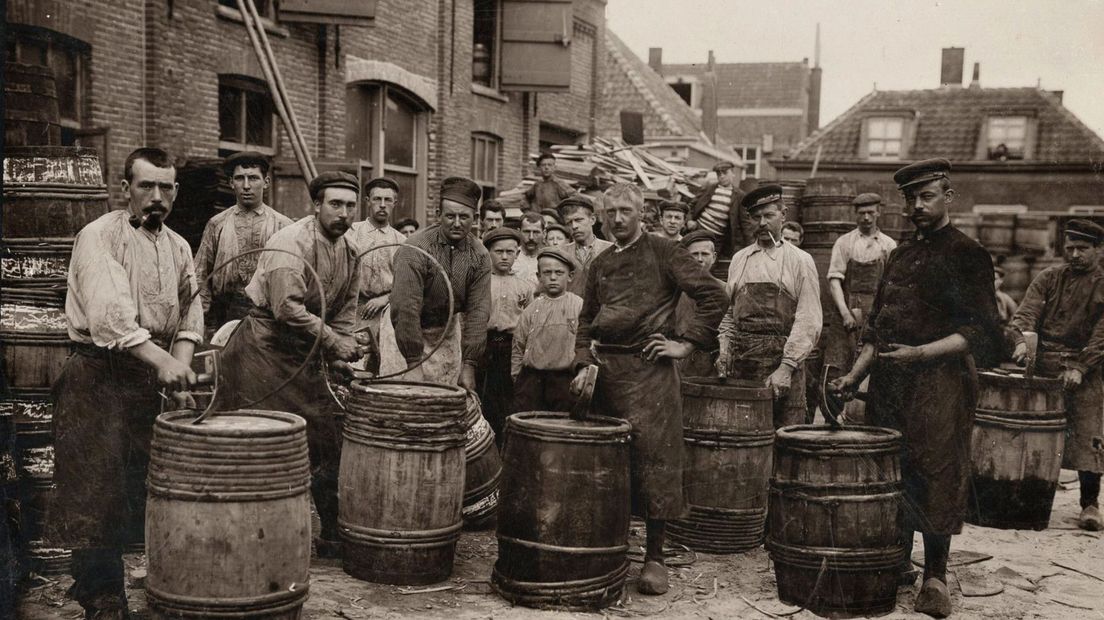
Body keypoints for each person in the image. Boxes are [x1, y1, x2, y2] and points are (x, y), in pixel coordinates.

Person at [829, 159, 1002, 618]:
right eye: (911, 198)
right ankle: (899, 562)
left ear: (949, 197)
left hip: (940, 385)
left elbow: (982, 333)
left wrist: (922, 354)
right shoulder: (900, 256)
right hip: (891, 384)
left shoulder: (968, 254)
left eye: (926, 196)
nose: (917, 206)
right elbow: (877, 332)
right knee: (894, 471)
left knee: (937, 473)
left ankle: (935, 578)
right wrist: (853, 376)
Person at [49, 148, 203, 619]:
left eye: (166, 188)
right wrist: (162, 362)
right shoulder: (99, 236)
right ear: (125, 189)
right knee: (94, 487)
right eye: (146, 187)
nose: (157, 197)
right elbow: (110, 316)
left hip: (146, 375)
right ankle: (100, 595)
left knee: (142, 481)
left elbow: (190, 308)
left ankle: (150, 579)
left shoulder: (178, 245)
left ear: (175, 192)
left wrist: (179, 366)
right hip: (97, 373)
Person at [572, 183, 727, 596]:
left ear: (643, 213)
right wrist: (584, 362)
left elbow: (714, 294)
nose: (618, 218)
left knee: (656, 464)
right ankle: (611, 549)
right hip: (606, 374)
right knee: (609, 464)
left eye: (626, 210)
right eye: (611, 212)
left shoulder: (664, 251)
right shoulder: (601, 262)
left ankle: (655, 556)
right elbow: (586, 320)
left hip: (649, 374)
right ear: (601, 216)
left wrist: (684, 344)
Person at [213, 171, 363, 558]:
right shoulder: (289, 242)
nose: (343, 213)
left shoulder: (350, 251)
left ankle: (331, 534)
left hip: (304, 351)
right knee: (261, 445)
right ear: (316, 205)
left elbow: (345, 310)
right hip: (263, 348)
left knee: (325, 440)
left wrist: (338, 353)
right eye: (335, 204)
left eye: (350, 205)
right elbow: (285, 308)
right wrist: (333, 342)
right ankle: (248, 540)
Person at [1009, 219, 1104, 531]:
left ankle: (1090, 503)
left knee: (1088, 435)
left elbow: (1102, 335)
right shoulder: (1049, 277)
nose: (1075, 254)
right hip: (1045, 364)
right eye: (1070, 248)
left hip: (1086, 367)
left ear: (1099, 250)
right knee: (1038, 436)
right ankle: (1035, 500)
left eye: (1083, 248)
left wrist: (1080, 367)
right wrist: (1022, 341)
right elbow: (1026, 313)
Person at [717, 185, 822, 428]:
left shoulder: (800, 260)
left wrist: (786, 368)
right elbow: (729, 312)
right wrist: (724, 349)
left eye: (769, 215)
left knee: (783, 439)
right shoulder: (739, 259)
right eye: (756, 217)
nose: (762, 223)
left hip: (782, 367)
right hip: (743, 367)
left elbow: (809, 319)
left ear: (783, 215)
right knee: (741, 437)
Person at [383, 177, 490, 389]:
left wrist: (469, 364)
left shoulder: (480, 256)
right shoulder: (415, 249)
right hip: (404, 330)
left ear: (476, 218)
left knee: (444, 400)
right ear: (438, 215)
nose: (457, 223)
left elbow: (479, 311)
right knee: (403, 397)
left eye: (464, 217)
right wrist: (413, 362)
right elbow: (405, 306)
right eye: (450, 216)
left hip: (446, 330)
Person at [194, 151, 293, 334]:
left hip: (268, 320)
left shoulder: (284, 226)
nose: (246, 186)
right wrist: (199, 323)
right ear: (231, 183)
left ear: (266, 182)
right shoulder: (217, 224)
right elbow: (201, 276)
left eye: (254, 178)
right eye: (240, 178)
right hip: (223, 317)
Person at [825, 193, 897, 373]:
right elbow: (834, 281)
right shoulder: (844, 243)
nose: (866, 217)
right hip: (847, 312)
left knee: (875, 364)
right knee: (840, 364)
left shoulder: (888, 245)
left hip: (876, 312)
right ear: (855, 214)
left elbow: (892, 286)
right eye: (861, 213)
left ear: (878, 213)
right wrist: (845, 314)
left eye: (871, 212)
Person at [511, 247, 583, 413]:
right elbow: (518, 346)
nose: (552, 278)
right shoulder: (530, 310)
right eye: (547, 272)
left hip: (564, 381)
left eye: (559, 273)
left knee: (561, 426)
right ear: (538, 277)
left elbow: (585, 343)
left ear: (570, 276)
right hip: (532, 381)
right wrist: (518, 378)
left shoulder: (578, 306)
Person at [347, 177, 406, 374]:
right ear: (367, 201)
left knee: (386, 367)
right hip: (354, 310)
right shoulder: (351, 233)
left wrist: (384, 299)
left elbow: (407, 282)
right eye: (377, 199)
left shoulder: (401, 241)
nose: (382, 205)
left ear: (395, 203)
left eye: (388, 200)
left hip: (387, 312)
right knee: (353, 365)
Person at [479, 227, 533, 440]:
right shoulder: (481, 283)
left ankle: (506, 442)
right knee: (484, 395)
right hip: (485, 344)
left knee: (508, 397)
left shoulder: (525, 287)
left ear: (517, 254)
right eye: (498, 251)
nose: (504, 256)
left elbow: (528, 321)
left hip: (511, 346)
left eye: (509, 252)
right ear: (488, 253)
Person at [675, 230, 727, 377]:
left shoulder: (724, 290)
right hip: (678, 359)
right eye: (694, 254)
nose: (699, 259)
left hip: (711, 362)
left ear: (714, 257)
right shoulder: (674, 290)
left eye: (704, 254)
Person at [688, 161, 755, 258]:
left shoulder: (739, 195)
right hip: (699, 229)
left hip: (717, 238)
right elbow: (691, 205)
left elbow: (745, 223)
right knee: (691, 259)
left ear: (732, 174)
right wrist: (690, 220)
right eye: (719, 174)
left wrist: (752, 247)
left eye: (725, 173)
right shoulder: (710, 188)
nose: (722, 176)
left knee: (710, 263)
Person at [561, 195, 613, 297]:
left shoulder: (610, 250)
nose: (574, 226)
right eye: (569, 222)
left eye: (579, 220)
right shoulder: (562, 253)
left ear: (592, 219)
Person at [513, 212, 544, 290]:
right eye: (526, 232)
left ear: (544, 233)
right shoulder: (511, 256)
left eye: (536, 232)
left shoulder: (549, 258)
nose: (531, 237)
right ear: (519, 232)